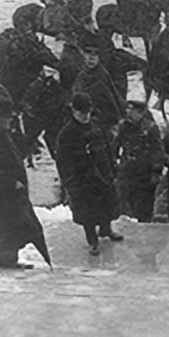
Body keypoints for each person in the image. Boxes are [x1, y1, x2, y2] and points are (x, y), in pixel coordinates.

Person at [0, 95, 50, 269]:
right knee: (4, 233)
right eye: (6, 117)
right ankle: (7, 267)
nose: (10, 120)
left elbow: (16, 153)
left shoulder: (2, 133)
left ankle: (11, 262)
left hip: (10, 197)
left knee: (13, 231)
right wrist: (10, 183)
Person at [55, 92, 122, 256]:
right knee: (88, 212)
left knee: (107, 204)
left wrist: (112, 166)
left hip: (102, 172)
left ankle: (106, 230)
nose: (85, 116)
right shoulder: (66, 134)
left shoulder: (96, 125)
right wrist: (70, 183)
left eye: (88, 112)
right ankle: (92, 241)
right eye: (82, 113)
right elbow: (63, 161)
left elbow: (107, 146)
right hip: (82, 178)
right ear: (74, 111)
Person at [115, 100, 165, 223]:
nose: (128, 112)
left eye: (132, 110)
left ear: (141, 112)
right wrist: (114, 164)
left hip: (145, 175)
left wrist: (156, 172)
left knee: (144, 210)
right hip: (127, 172)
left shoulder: (150, 128)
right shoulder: (123, 126)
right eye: (128, 109)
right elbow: (114, 146)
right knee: (124, 208)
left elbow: (158, 151)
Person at [71, 34, 125, 139]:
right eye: (88, 53)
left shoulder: (102, 74)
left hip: (106, 119)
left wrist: (119, 118)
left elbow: (112, 96)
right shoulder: (81, 76)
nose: (91, 58)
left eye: (95, 55)